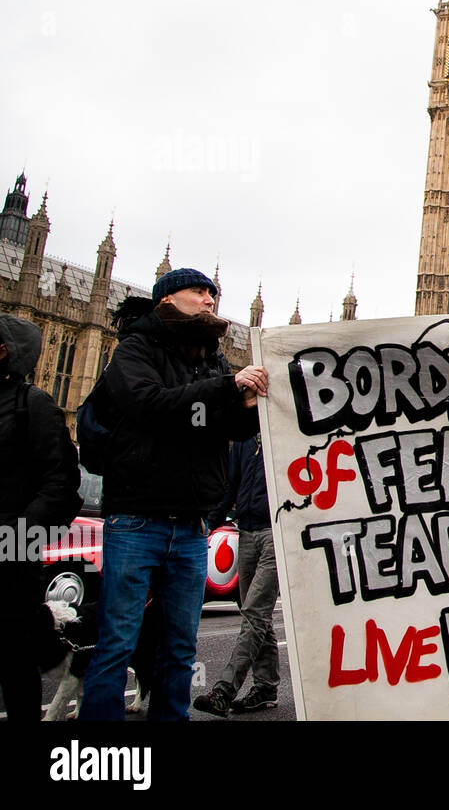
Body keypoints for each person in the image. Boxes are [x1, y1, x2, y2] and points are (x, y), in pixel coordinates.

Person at [79, 269, 268, 721]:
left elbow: (224, 427)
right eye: (198, 292)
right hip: (137, 519)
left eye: (213, 293)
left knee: (181, 646)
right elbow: (151, 405)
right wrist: (227, 388)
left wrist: (249, 408)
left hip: (190, 525)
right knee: (118, 643)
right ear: (166, 299)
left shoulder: (212, 358)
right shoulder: (135, 350)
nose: (209, 300)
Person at [0, 314, 82, 721]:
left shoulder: (33, 405)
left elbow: (62, 484)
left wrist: (17, 537)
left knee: (14, 661)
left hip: (12, 550)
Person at [193, 433, 280, 717]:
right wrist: (209, 522)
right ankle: (266, 688)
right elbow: (230, 486)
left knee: (254, 612)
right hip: (246, 531)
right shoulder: (243, 439)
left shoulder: (283, 431)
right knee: (254, 613)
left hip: (276, 533)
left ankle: (224, 690)